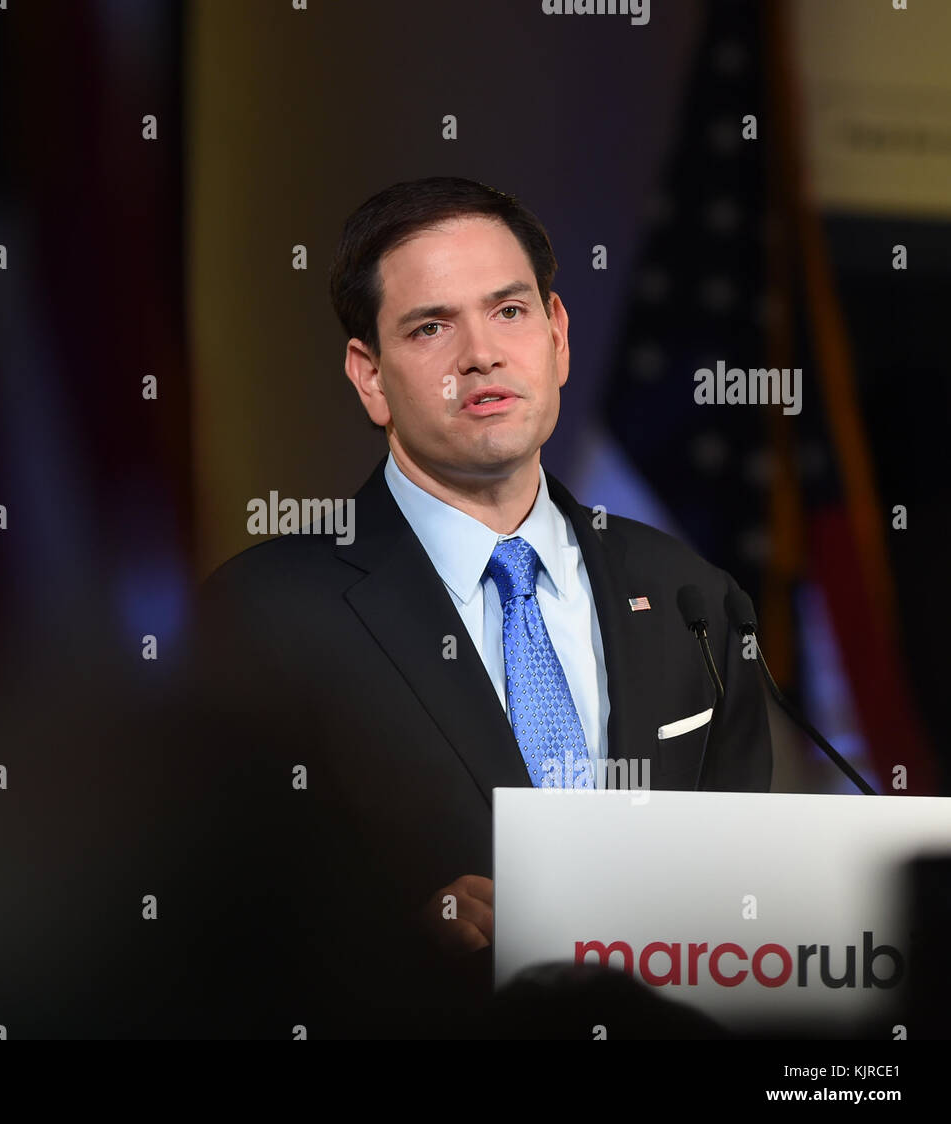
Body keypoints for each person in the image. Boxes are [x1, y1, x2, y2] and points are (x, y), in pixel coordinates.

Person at [176, 176, 772, 1039]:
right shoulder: (262, 619)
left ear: (558, 336)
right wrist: (400, 955)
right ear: (369, 376)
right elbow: (202, 947)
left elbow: (752, 901)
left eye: (509, 311)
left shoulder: (692, 597)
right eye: (430, 327)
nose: (481, 354)